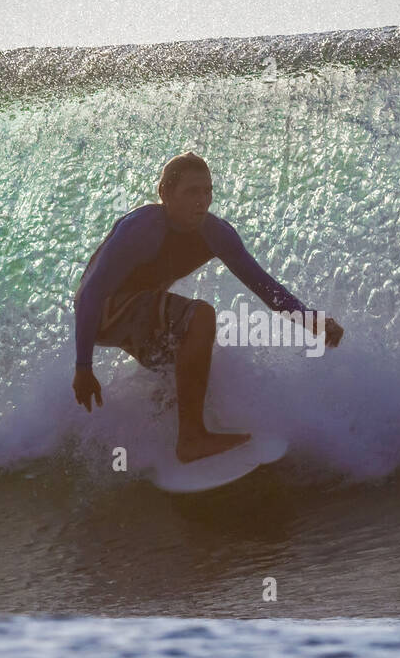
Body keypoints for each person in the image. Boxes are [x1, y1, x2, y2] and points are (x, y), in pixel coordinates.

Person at [72, 152, 343, 463]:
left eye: (207, 191)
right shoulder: (142, 227)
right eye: (191, 192)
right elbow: (90, 293)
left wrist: (310, 320)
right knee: (200, 317)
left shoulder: (215, 233)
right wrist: (83, 367)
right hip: (101, 311)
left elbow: (262, 285)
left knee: (192, 365)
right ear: (165, 193)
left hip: (137, 314)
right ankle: (192, 438)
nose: (201, 201)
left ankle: (156, 434)